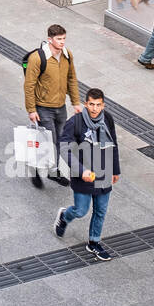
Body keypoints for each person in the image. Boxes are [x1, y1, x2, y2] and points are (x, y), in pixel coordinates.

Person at [54, 87, 120, 262]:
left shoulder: (107, 119)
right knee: (81, 210)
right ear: (86, 103)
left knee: (100, 211)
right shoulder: (75, 122)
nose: (94, 109)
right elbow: (64, 147)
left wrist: (115, 169)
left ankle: (94, 242)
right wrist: (81, 169)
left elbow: (113, 143)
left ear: (103, 105)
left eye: (98, 105)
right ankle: (64, 216)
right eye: (91, 104)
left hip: (104, 172)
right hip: (83, 174)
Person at [24, 23, 80, 189]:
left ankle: (49, 171)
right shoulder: (37, 58)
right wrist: (31, 110)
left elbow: (72, 78)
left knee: (60, 141)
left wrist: (75, 102)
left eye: (63, 38)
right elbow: (29, 85)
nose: (62, 42)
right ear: (50, 39)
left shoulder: (67, 55)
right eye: (58, 39)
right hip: (43, 108)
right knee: (48, 142)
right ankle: (41, 171)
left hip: (60, 107)